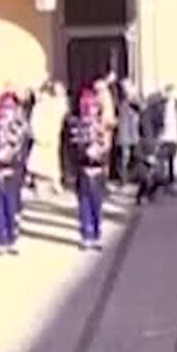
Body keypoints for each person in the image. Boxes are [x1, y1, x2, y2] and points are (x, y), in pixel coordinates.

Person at [71, 91, 113, 251]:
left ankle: (96, 235)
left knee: (97, 203)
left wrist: (100, 153)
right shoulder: (76, 125)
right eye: (87, 106)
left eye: (93, 106)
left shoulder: (102, 125)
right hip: (83, 168)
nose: (90, 110)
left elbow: (107, 145)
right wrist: (84, 152)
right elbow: (72, 146)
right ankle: (86, 236)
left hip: (98, 168)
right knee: (84, 203)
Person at [0, 94, 28, 255]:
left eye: (10, 107)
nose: (6, 111)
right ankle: (1, 240)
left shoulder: (19, 125)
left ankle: (13, 239)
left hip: (13, 170)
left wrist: (11, 156)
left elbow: (23, 146)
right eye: (4, 107)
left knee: (11, 206)